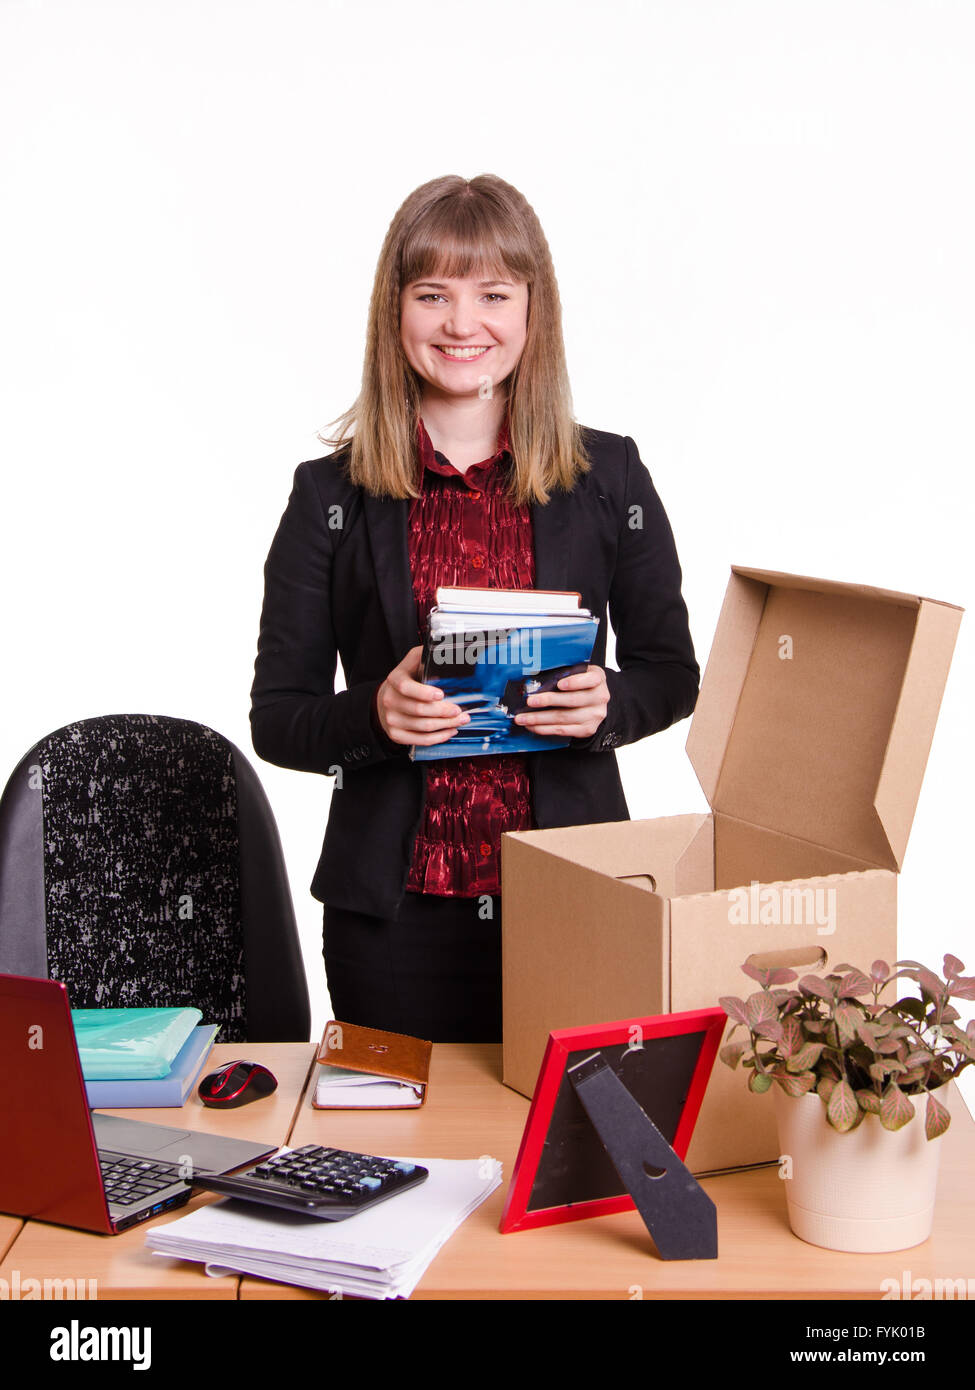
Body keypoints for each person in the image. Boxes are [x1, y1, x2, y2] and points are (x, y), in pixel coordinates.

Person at [250, 174, 699, 1044]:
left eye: (492, 293)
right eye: (433, 295)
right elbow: (278, 718)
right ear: (396, 311)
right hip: (392, 918)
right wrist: (375, 715)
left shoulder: (609, 477)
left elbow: (670, 673)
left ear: (534, 311)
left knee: (571, 1162)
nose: (463, 325)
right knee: (397, 1163)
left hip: (575, 898)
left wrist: (610, 703)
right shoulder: (327, 495)